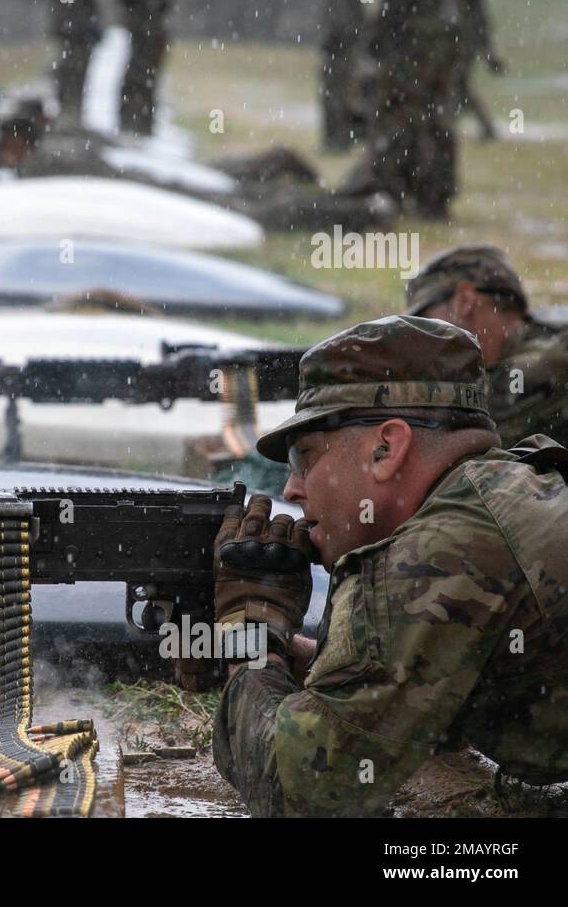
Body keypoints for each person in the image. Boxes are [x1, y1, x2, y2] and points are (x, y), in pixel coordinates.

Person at [210, 315, 568, 816]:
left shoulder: (443, 552)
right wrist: (324, 668)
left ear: (386, 448)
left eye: (304, 458)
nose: (292, 490)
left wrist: (249, 633)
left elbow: (303, 793)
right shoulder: (505, 496)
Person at [406, 245, 568, 447]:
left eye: (423, 319)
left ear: (465, 301)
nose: (421, 335)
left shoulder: (538, 366)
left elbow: (456, 447)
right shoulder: (541, 340)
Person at [341, 0, 461, 220]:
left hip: (416, 43)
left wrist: (376, 37)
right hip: (440, 40)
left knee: (397, 113)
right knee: (434, 117)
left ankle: (392, 189)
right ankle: (434, 196)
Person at [0, 0, 101, 121]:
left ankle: (70, 117)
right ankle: (72, 117)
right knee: (71, 80)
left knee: (70, 81)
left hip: (76, 40)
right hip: (78, 40)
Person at [92, 0, 171, 137]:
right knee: (140, 82)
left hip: (148, 35)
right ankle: (136, 127)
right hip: (146, 34)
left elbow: (158, 2)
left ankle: (135, 129)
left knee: (138, 82)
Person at [450, 0, 504, 141]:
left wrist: (489, 54)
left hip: (460, 46)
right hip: (454, 45)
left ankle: (484, 126)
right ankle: (483, 125)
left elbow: (479, 22)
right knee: (456, 87)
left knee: (457, 86)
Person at [319, 0, 369, 152]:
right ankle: (336, 139)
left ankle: (338, 140)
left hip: (343, 46)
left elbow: (356, 13)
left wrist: (341, 38)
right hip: (342, 44)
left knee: (337, 94)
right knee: (336, 93)